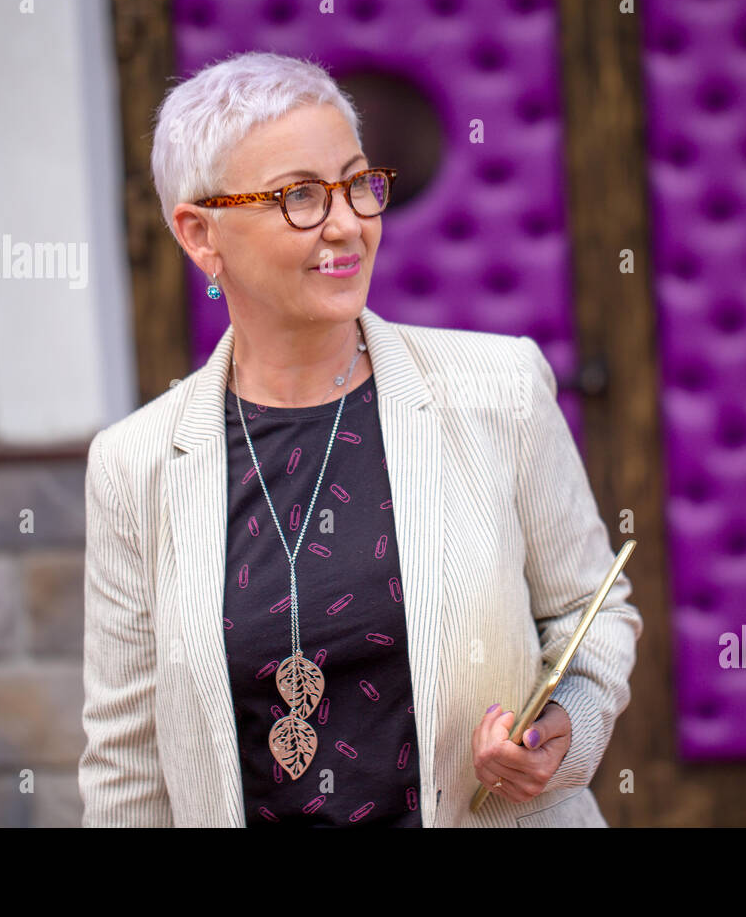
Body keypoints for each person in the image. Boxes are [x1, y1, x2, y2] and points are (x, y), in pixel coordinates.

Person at [79, 51, 642, 827]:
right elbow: (127, 763)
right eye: (299, 196)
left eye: (356, 184)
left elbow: (592, 608)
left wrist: (563, 728)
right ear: (200, 234)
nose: (345, 223)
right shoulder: (133, 465)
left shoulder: (499, 387)